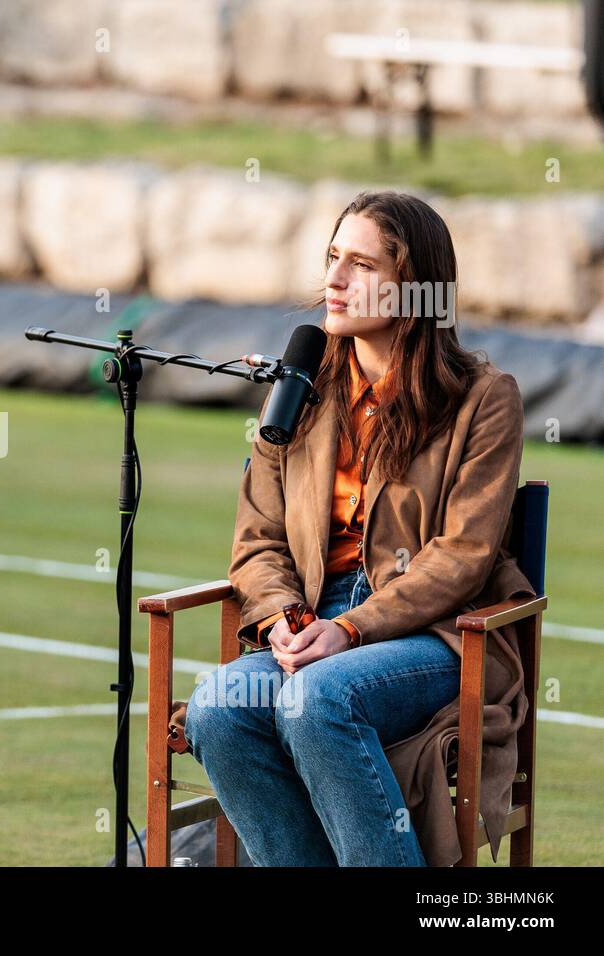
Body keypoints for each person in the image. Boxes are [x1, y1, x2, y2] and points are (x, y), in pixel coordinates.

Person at [183, 190, 535, 867]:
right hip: (311, 623)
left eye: (363, 265)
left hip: (436, 636)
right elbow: (256, 540)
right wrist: (284, 614)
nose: (335, 281)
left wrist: (351, 629)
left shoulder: (484, 399)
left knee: (317, 700)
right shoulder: (299, 387)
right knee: (218, 707)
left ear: (415, 291)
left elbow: (462, 556)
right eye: (332, 258)